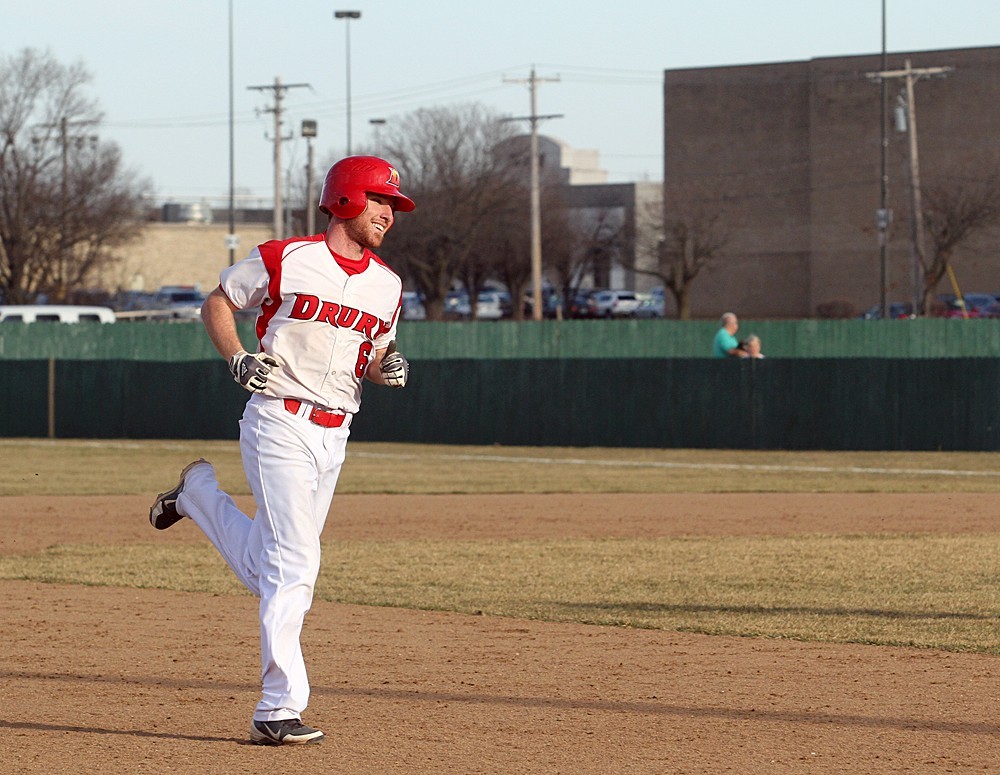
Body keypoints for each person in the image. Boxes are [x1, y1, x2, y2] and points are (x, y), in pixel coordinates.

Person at [148, 156, 415, 746]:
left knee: (272, 568)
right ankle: (277, 706)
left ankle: (197, 494)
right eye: (379, 201)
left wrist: (384, 368)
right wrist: (238, 357)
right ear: (345, 199)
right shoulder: (285, 257)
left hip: (336, 432)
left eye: (393, 206)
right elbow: (218, 302)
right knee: (296, 565)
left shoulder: (388, 286)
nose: (388, 214)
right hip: (279, 420)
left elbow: (371, 355)